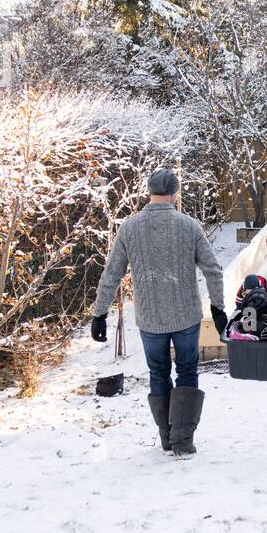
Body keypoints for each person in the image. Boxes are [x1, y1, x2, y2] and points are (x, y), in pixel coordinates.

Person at [91, 168, 228, 457]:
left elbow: (112, 273)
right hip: (186, 316)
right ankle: (183, 440)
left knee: (158, 372)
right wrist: (218, 307)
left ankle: (167, 438)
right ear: (175, 193)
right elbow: (213, 270)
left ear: (149, 191)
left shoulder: (130, 227)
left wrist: (99, 313)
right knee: (188, 370)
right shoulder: (189, 226)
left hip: (150, 318)